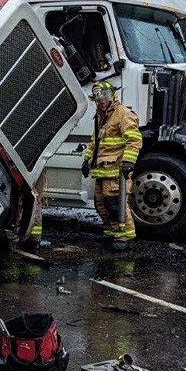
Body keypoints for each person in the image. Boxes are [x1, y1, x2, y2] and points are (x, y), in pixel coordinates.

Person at [81, 81, 142, 249]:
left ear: (113, 95)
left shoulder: (123, 114)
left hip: (116, 171)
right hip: (101, 170)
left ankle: (124, 236)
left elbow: (134, 140)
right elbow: (95, 142)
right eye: (98, 99)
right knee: (100, 204)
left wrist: (128, 161)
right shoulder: (100, 116)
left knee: (115, 203)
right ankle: (111, 232)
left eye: (104, 97)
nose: (101, 101)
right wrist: (87, 160)